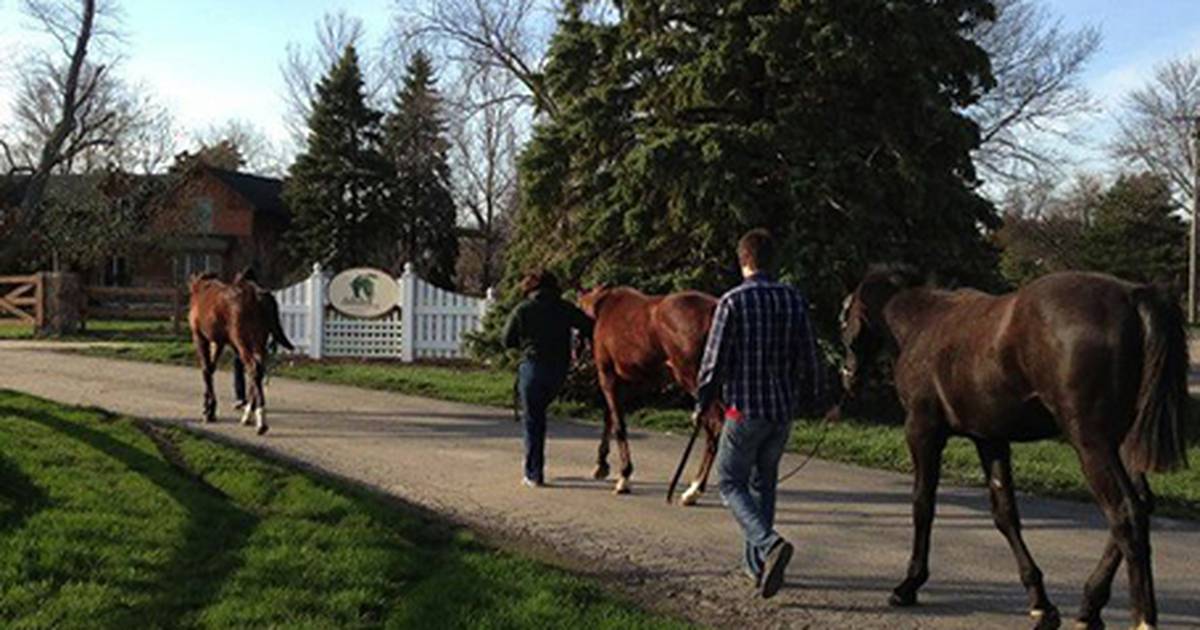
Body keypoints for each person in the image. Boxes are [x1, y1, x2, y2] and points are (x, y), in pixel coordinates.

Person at [695, 228, 831, 599]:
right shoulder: (793, 299)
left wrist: (701, 401)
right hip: (781, 412)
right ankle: (757, 566)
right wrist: (821, 399)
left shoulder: (732, 302)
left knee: (730, 483)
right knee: (763, 485)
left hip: (744, 411)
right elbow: (810, 356)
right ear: (773, 260)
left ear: (743, 260)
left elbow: (713, 361)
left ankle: (769, 545)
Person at [503, 269, 593, 488]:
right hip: (558, 371)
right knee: (539, 414)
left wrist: (524, 344)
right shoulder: (565, 308)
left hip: (532, 367)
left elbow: (507, 340)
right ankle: (534, 467)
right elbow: (589, 326)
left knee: (533, 421)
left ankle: (534, 473)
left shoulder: (523, 309)